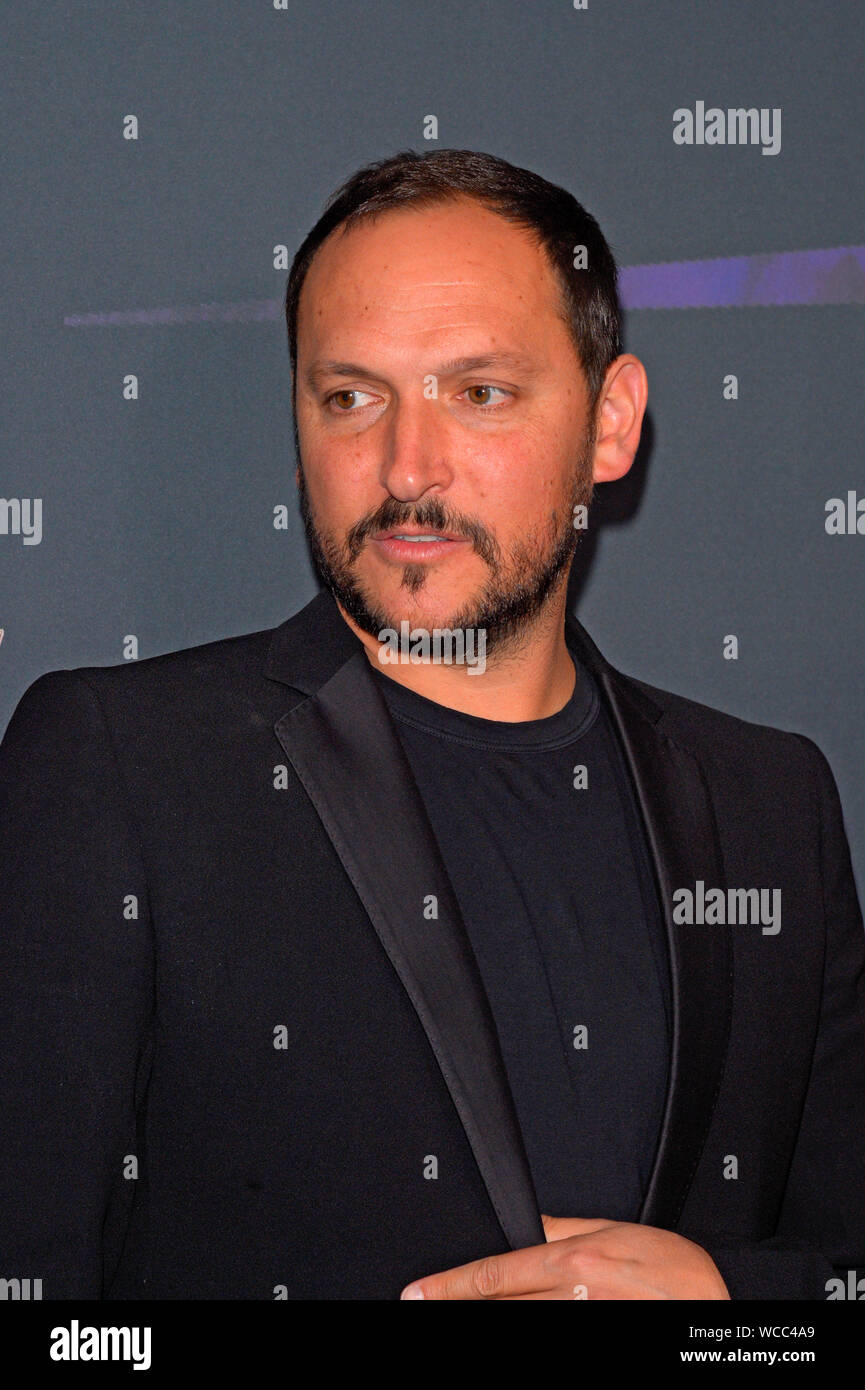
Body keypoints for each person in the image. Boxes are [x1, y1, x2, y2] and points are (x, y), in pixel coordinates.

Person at [1, 149, 863, 1300]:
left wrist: (717, 1309)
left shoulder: (770, 806)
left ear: (610, 426)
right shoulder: (121, 764)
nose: (406, 467)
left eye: (480, 392)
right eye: (350, 397)